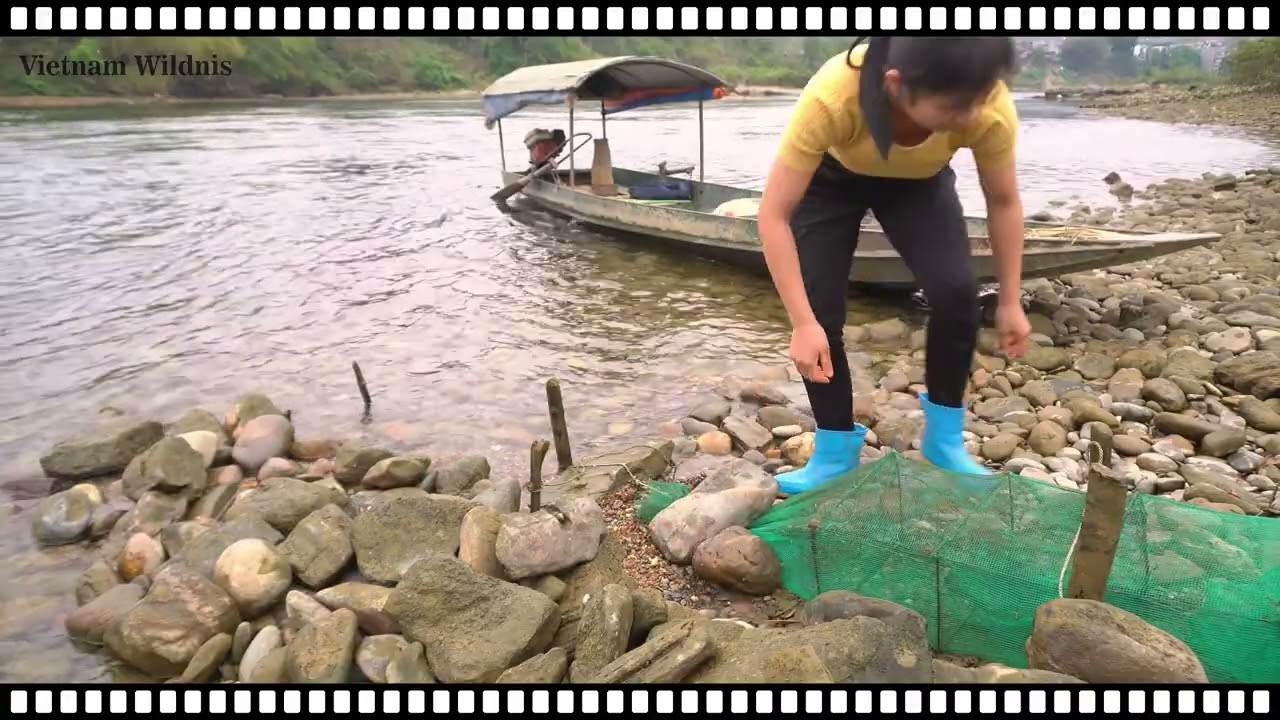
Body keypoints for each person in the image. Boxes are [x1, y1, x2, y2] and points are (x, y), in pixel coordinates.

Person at [756, 36, 1032, 495]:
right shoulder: (833, 95)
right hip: (832, 181)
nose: (969, 118)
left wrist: (1011, 298)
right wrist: (801, 322)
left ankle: (943, 442)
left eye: (976, 103)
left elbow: (1003, 202)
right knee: (820, 315)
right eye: (951, 109)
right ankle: (834, 452)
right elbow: (774, 214)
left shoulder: (984, 100)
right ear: (895, 84)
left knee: (958, 295)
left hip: (919, 185)